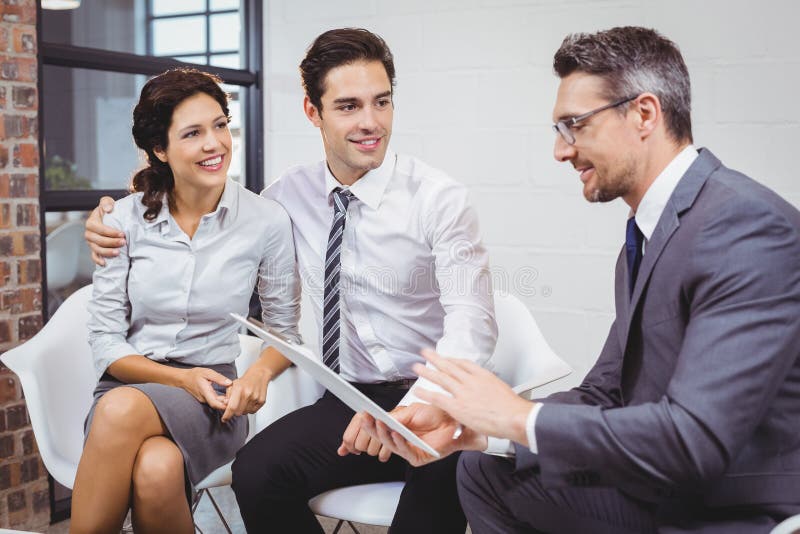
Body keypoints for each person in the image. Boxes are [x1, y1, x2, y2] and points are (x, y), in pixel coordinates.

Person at [354, 26, 800, 533]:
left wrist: (516, 418)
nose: (561, 151)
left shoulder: (744, 227)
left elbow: (694, 439)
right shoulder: (650, 231)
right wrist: (475, 429)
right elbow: (605, 394)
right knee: (481, 469)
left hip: (732, 510)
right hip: (664, 491)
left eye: (575, 126)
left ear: (644, 114)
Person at [83, 29, 497, 533]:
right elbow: (203, 208)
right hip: (349, 399)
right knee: (257, 473)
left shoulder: (439, 199)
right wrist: (110, 214)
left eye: (382, 102)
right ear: (312, 112)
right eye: (348, 106)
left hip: (435, 401)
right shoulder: (286, 198)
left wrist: (411, 410)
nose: (371, 123)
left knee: (429, 508)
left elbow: (473, 326)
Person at [71, 68, 300, 534]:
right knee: (156, 468)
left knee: (130, 427)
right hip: (129, 385)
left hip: (215, 399)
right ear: (160, 149)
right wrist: (179, 378)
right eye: (193, 133)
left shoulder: (266, 221)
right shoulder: (122, 221)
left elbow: (284, 334)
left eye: (220, 125)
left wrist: (258, 372)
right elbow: (105, 343)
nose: (214, 143)